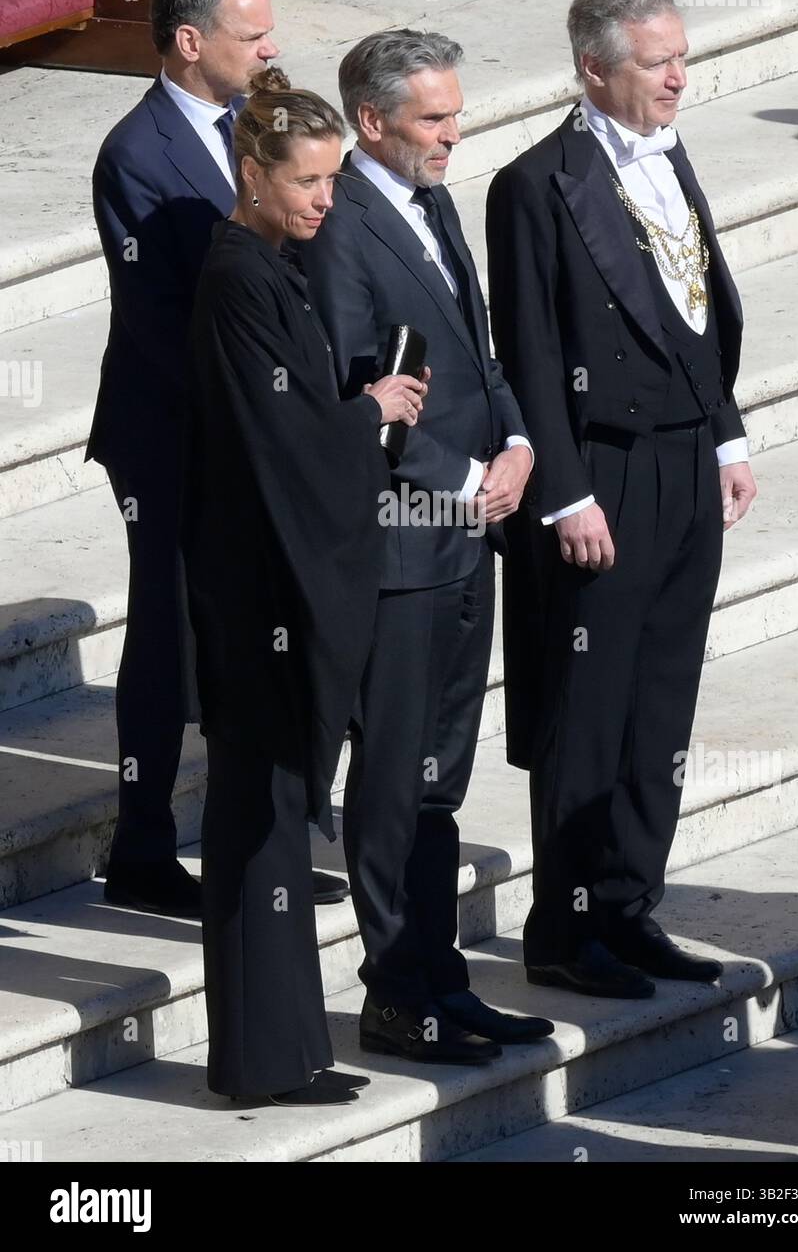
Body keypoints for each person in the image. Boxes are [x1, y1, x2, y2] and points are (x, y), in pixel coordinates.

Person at [486, 0, 757, 1001]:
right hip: (600, 476)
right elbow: (532, 355)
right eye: (660, 62)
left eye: (683, 57)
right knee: (587, 705)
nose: (681, 78)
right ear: (595, 68)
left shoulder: (667, 149)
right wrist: (562, 492)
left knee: (659, 702)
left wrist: (725, 435)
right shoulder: (533, 185)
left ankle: (630, 904)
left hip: (688, 464)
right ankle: (564, 926)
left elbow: (694, 312)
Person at [301, 29, 554, 1064]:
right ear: (372, 121)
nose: (455, 132)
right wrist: (459, 477)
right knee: (395, 773)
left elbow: (473, 350)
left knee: (440, 777)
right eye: (434, 119)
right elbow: (358, 389)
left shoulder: (432, 195)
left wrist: (523, 444)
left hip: (465, 540)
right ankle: (394, 993)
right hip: (401, 548)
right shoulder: (337, 227)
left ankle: (442, 979)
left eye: (455, 112)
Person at [183, 68, 427, 1105]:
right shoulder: (239, 276)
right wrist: (369, 409)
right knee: (258, 822)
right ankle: (260, 1060)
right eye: (311, 180)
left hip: (269, 583)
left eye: (335, 178)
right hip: (258, 598)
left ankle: (283, 1053)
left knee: (272, 822)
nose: (328, 198)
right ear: (253, 172)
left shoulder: (269, 264)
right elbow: (282, 440)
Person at [87, 0, 281, 916]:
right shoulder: (137, 153)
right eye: (252, 34)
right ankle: (143, 845)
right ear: (192, 40)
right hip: (170, 431)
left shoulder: (263, 121)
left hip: (256, 426)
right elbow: (157, 318)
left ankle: (263, 839)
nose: (269, 48)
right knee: (165, 634)